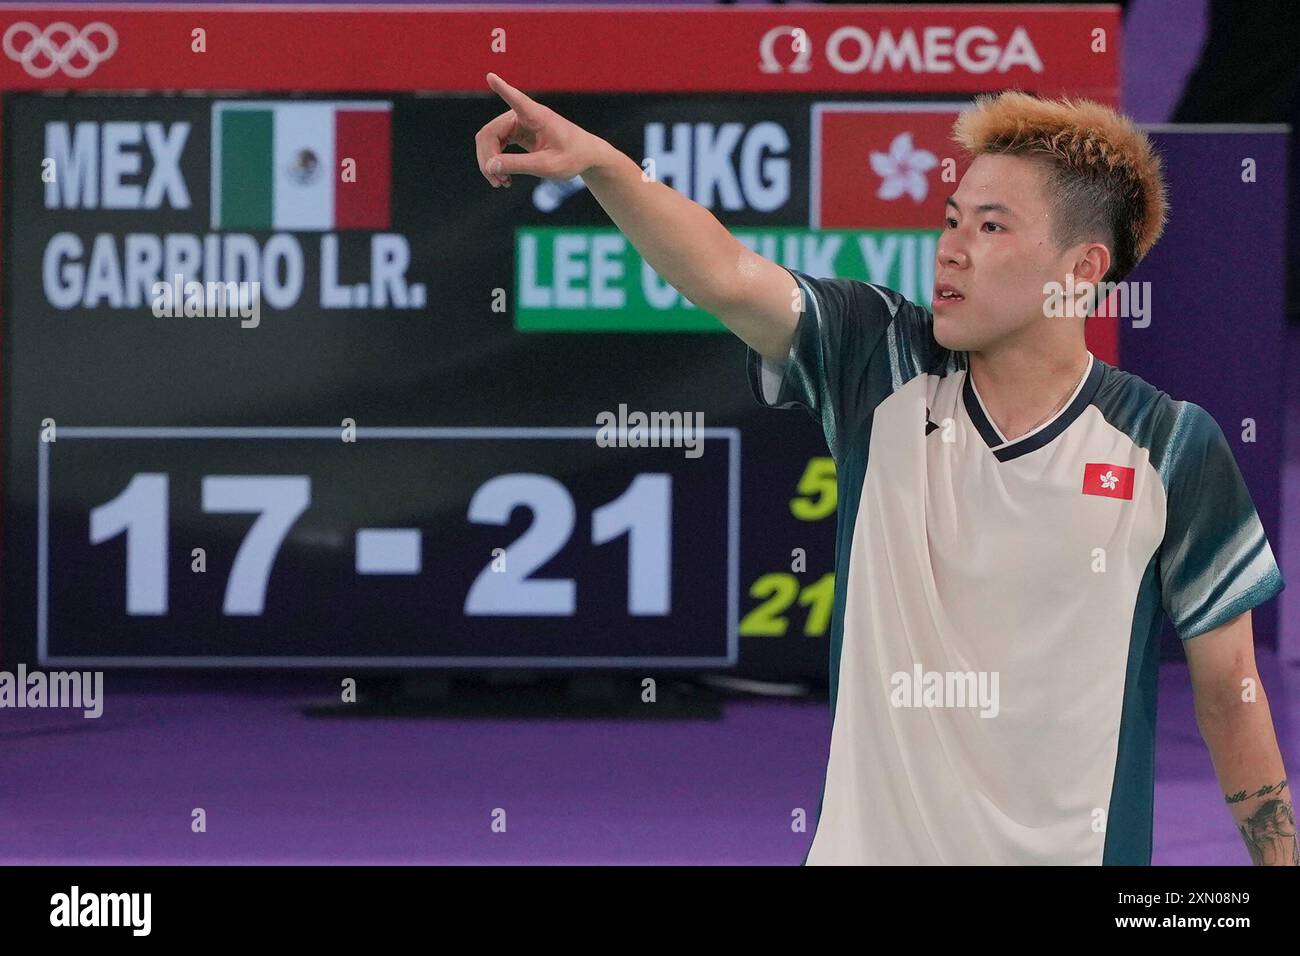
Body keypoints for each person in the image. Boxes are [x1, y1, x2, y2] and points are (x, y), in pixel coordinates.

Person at [475, 75, 1294, 866]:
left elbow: (1230, 690)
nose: (952, 247)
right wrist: (604, 166)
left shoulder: (1170, 445)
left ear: (1082, 269)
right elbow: (723, 274)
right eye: (951, 219)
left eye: (992, 227)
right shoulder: (880, 361)